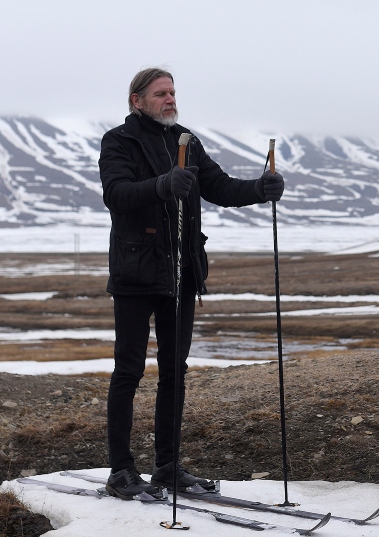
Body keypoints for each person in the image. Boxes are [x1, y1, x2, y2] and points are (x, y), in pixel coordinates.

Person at [98, 67, 284, 500]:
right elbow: (116, 193)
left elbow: (218, 186)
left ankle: (167, 468)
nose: (170, 99)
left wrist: (261, 188)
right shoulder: (118, 141)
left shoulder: (186, 140)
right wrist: (163, 185)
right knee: (128, 371)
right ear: (136, 100)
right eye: (161, 93)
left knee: (174, 374)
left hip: (181, 273)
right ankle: (121, 471)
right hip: (135, 272)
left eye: (173, 92)